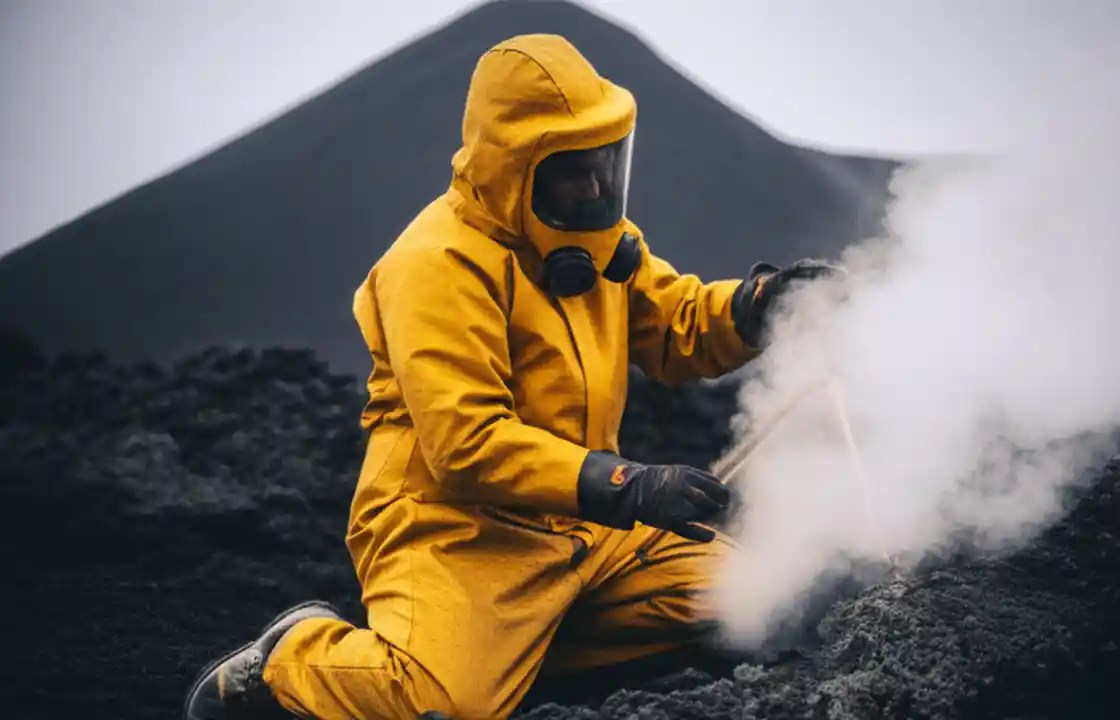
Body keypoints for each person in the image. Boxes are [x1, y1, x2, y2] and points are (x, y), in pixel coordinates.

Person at [184, 33, 839, 720]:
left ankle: (518, 649)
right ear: (514, 168)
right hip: (460, 532)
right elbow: (466, 442)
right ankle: (287, 662)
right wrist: (628, 485)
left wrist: (760, 305)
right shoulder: (436, 265)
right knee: (443, 704)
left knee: (747, 600)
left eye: (603, 162)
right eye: (572, 171)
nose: (595, 187)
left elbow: (675, 325)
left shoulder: (594, 239)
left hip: (584, 526)